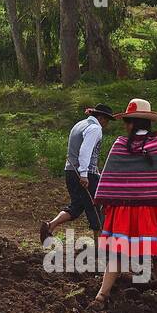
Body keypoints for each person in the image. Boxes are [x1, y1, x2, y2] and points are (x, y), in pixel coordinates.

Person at [89, 98, 157, 306]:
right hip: (153, 211)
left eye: (126, 122)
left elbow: (109, 177)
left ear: (131, 123)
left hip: (124, 211)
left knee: (117, 252)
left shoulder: (120, 145)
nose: (125, 126)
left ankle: (102, 295)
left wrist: (103, 200)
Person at [40, 103, 114, 243]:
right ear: (101, 118)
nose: (107, 124)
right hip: (85, 173)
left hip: (70, 171)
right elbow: (85, 151)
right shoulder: (95, 128)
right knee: (95, 206)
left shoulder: (79, 125)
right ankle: (99, 244)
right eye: (107, 120)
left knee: (77, 206)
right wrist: (85, 174)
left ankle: (50, 226)